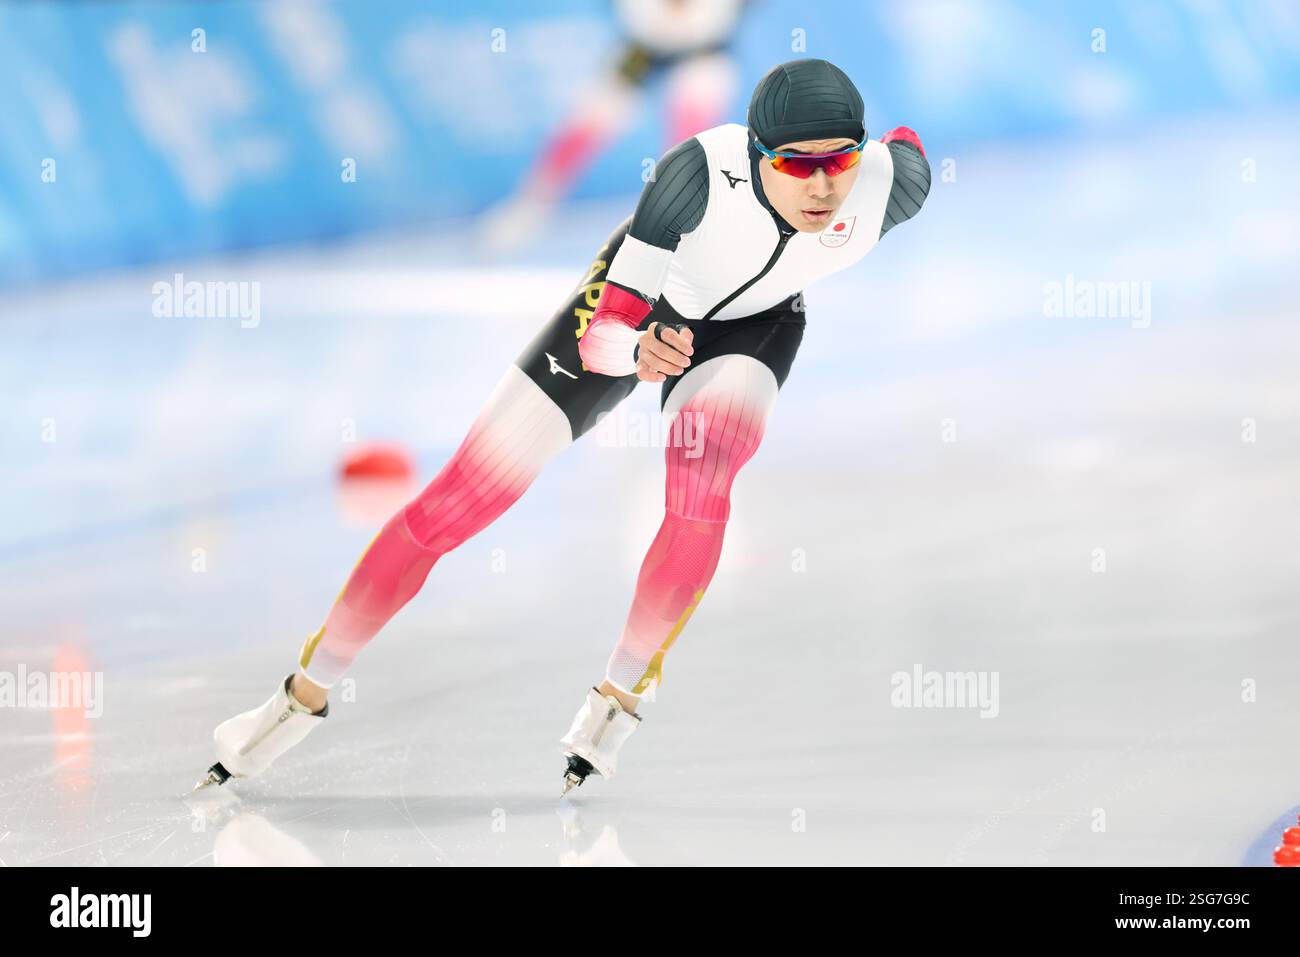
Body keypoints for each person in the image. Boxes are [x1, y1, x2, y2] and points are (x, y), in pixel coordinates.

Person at [195, 58, 931, 796]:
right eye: (796, 164)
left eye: (837, 159)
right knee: (463, 497)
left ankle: (618, 700)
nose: (822, 185)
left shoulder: (888, 187)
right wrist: (639, 347)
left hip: (755, 326)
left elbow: (903, 145)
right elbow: (602, 339)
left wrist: (878, 149)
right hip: (638, 306)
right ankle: (301, 695)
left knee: (702, 483)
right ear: (754, 154)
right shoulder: (697, 177)